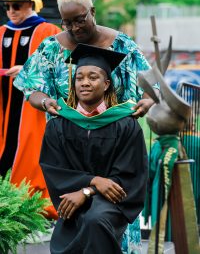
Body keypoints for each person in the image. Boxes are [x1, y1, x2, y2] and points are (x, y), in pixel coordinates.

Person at [13, 0, 159, 250]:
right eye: (67, 23)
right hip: (70, 145)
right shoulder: (51, 49)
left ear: (92, 11)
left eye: (80, 20)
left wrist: (147, 99)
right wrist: (46, 102)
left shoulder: (122, 44)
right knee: (78, 217)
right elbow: (30, 88)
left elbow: (151, 84)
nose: (74, 28)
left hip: (116, 143)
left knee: (111, 214)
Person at [39, 43, 148, 254]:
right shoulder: (58, 124)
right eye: (79, 78)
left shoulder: (125, 124)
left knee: (95, 220)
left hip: (110, 203)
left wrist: (88, 190)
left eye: (93, 77)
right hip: (71, 198)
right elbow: (54, 169)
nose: (85, 83)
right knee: (82, 223)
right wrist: (93, 181)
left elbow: (131, 173)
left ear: (106, 84)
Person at [0, 0, 61, 219]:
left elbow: (57, 70)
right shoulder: (2, 32)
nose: (11, 12)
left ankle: (29, 208)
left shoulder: (48, 32)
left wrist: (25, 71)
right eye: (7, 7)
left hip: (31, 109)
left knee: (29, 154)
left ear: (30, 4)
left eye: (17, 6)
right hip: (3, 107)